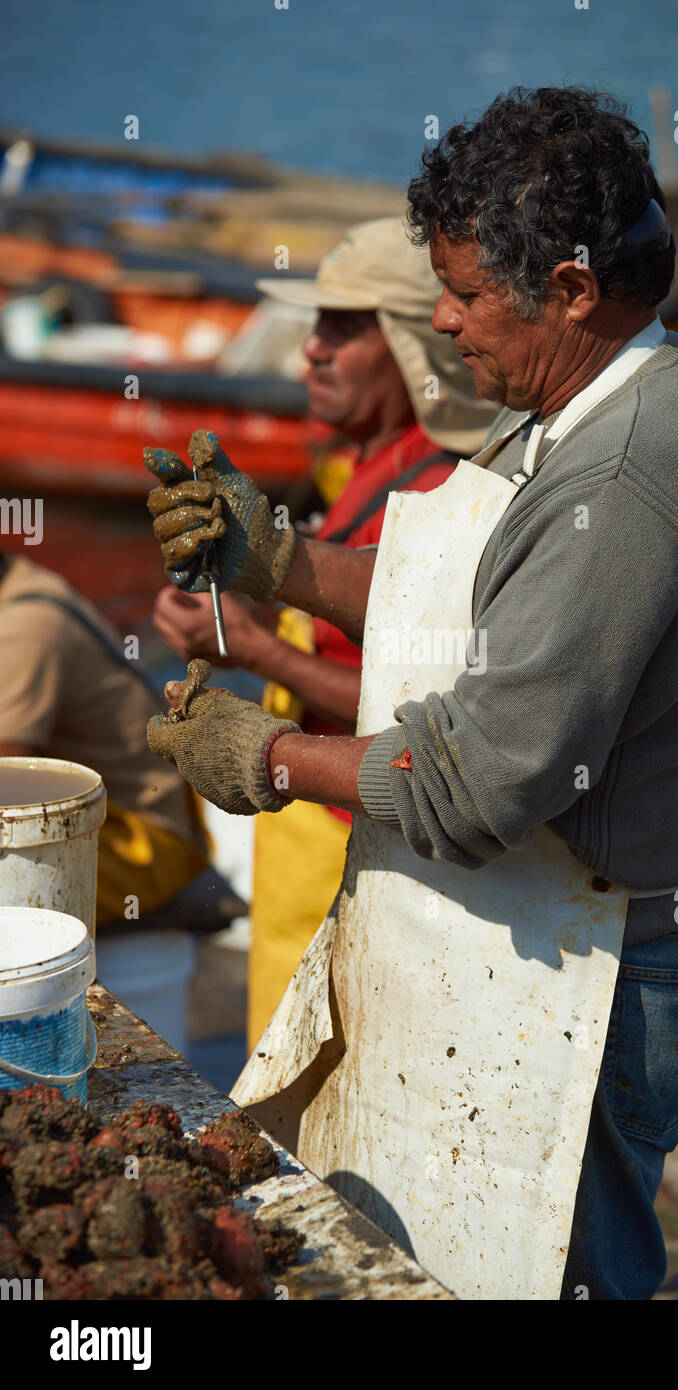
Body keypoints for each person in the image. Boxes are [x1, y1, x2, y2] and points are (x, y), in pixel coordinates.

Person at [142, 86, 678, 1300]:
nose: (441, 323)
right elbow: (479, 597)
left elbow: (471, 779)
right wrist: (276, 555)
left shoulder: (629, 470)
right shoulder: (623, 393)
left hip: (612, 983)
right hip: (597, 939)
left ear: (567, 286)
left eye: (464, 293)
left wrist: (270, 757)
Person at [151, 216, 498, 1048]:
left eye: (345, 329)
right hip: (303, 856)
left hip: (353, 858)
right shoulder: (359, 471)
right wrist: (240, 617)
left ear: (414, 348)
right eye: (316, 326)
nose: (311, 349)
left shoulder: (427, 496)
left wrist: (257, 651)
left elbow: (415, 706)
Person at [0, 549, 223, 1051]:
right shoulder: (21, 584)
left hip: (144, 838)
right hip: (106, 816)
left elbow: (7, 788)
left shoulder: (23, 628)